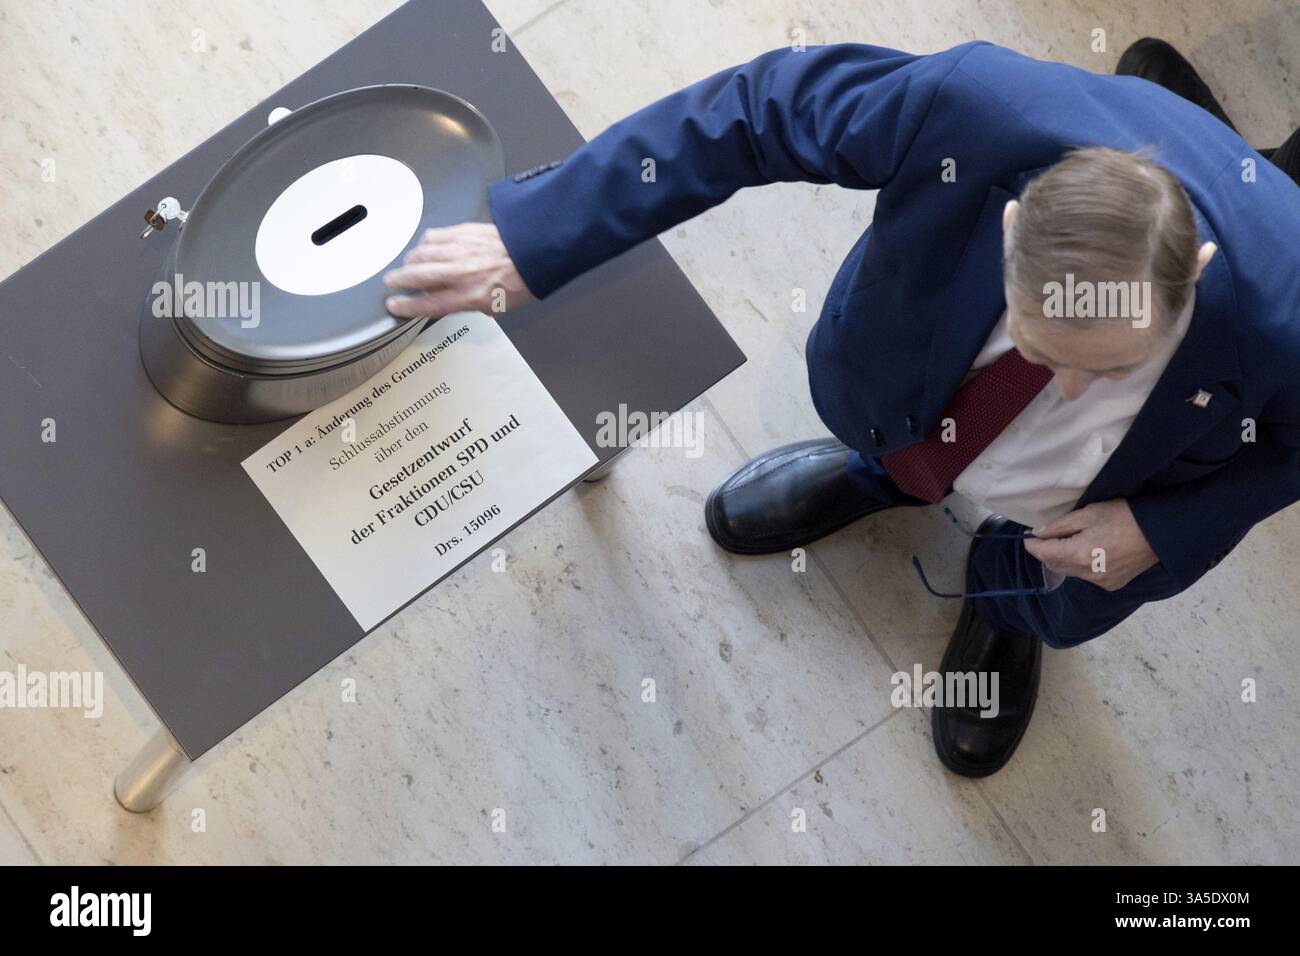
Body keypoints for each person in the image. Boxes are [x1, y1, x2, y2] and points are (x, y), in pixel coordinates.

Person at [382, 38, 1300, 776]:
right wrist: (541, 235)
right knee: (894, 433)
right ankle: (884, 474)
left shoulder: (1287, 307)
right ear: (1013, 223)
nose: (1060, 394)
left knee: (1051, 592)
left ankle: (1004, 601)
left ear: (1201, 279)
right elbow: (755, 111)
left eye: (1107, 368)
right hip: (900, 382)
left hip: (1121, 492)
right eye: (1040, 347)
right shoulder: (974, 108)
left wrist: (1163, 529)